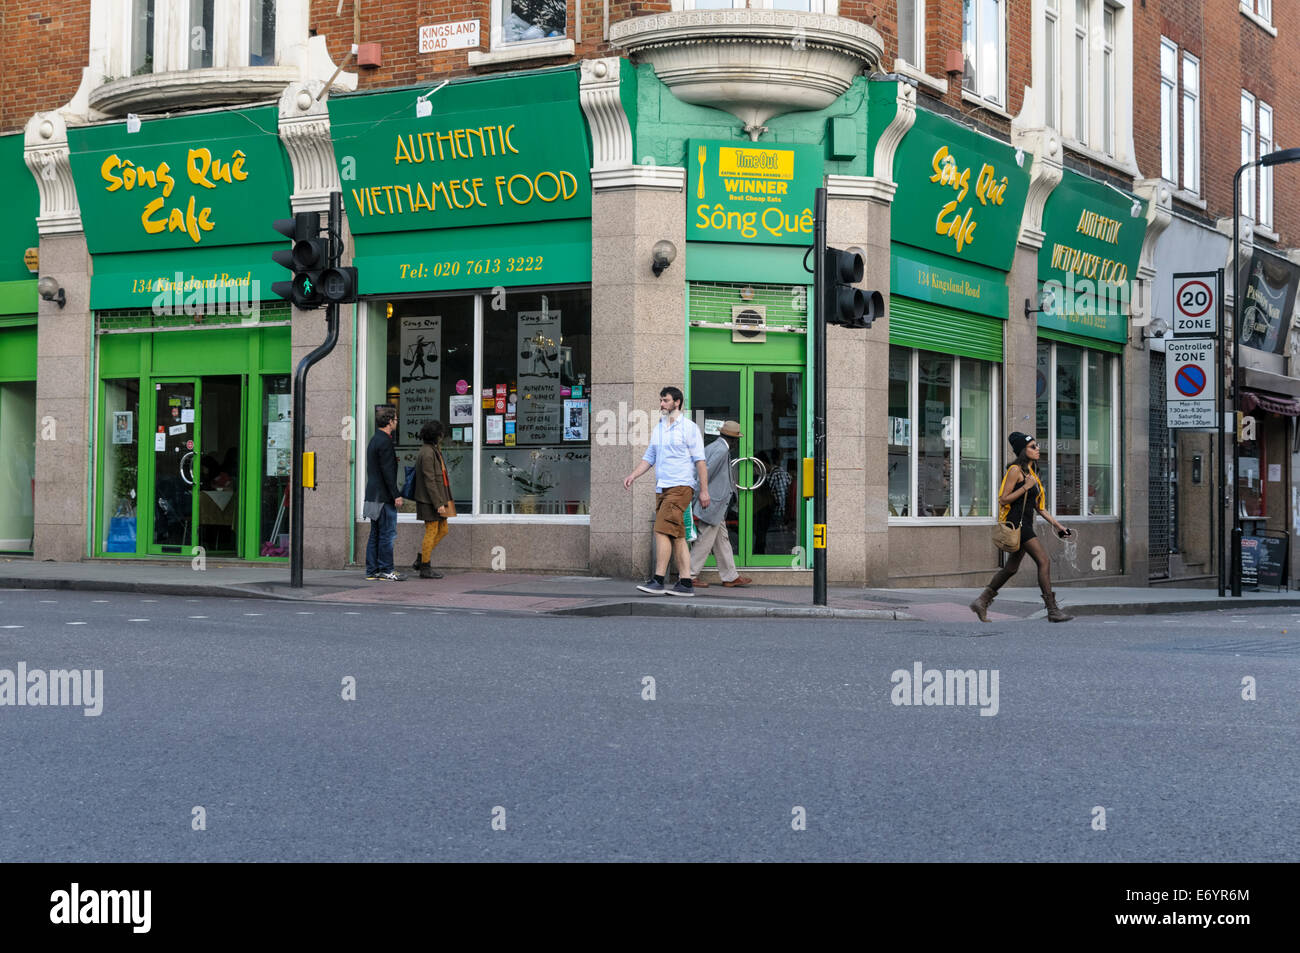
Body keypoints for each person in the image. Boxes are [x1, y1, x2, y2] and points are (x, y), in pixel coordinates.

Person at [970, 432, 1074, 623]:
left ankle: (982, 601)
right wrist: (1025, 487)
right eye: (1033, 446)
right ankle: (1052, 610)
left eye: (1037, 446)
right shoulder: (1015, 471)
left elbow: (1040, 508)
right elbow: (1003, 499)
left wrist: (1059, 527)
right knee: (1044, 561)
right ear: (1023, 451)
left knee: (1011, 568)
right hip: (1017, 524)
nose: (1037, 449)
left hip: (1025, 523)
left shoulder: (1031, 473)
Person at [623, 386, 710, 596]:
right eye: (661, 400)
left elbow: (700, 461)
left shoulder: (689, 428)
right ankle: (686, 583)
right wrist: (633, 475)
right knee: (678, 536)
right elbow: (649, 457)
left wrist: (704, 491)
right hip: (663, 487)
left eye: (666, 400)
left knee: (661, 530)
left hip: (680, 486)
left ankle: (658, 580)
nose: (662, 404)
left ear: (677, 402)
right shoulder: (660, 427)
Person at [690, 421, 753, 589]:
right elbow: (706, 472)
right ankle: (689, 574)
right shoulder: (722, 450)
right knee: (705, 540)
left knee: (722, 540)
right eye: (737, 439)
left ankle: (730, 576)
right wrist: (700, 494)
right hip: (713, 503)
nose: (738, 442)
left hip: (715, 504)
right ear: (733, 439)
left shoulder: (714, 446)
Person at [363, 406, 405, 581]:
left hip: (372, 494)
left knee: (375, 534)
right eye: (395, 419)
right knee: (387, 534)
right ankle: (387, 570)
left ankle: (372, 571)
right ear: (389, 421)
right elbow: (388, 472)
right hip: (383, 497)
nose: (396, 422)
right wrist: (396, 494)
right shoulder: (386, 442)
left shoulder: (373, 440)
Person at [411, 420, 452, 579]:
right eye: (440, 434)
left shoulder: (431, 450)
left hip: (436, 498)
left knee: (443, 530)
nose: (441, 437)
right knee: (432, 531)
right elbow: (429, 479)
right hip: (429, 500)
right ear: (436, 435)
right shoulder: (427, 453)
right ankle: (425, 568)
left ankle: (421, 560)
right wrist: (438, 503)